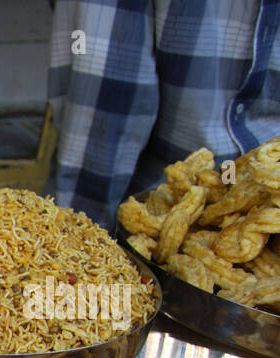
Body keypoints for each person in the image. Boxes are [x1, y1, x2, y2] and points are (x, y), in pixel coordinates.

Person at [47, 0, 280, 228]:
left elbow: (102, 95)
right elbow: (105, 89)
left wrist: (77, 227)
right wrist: (80, 233)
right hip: (158, 213)